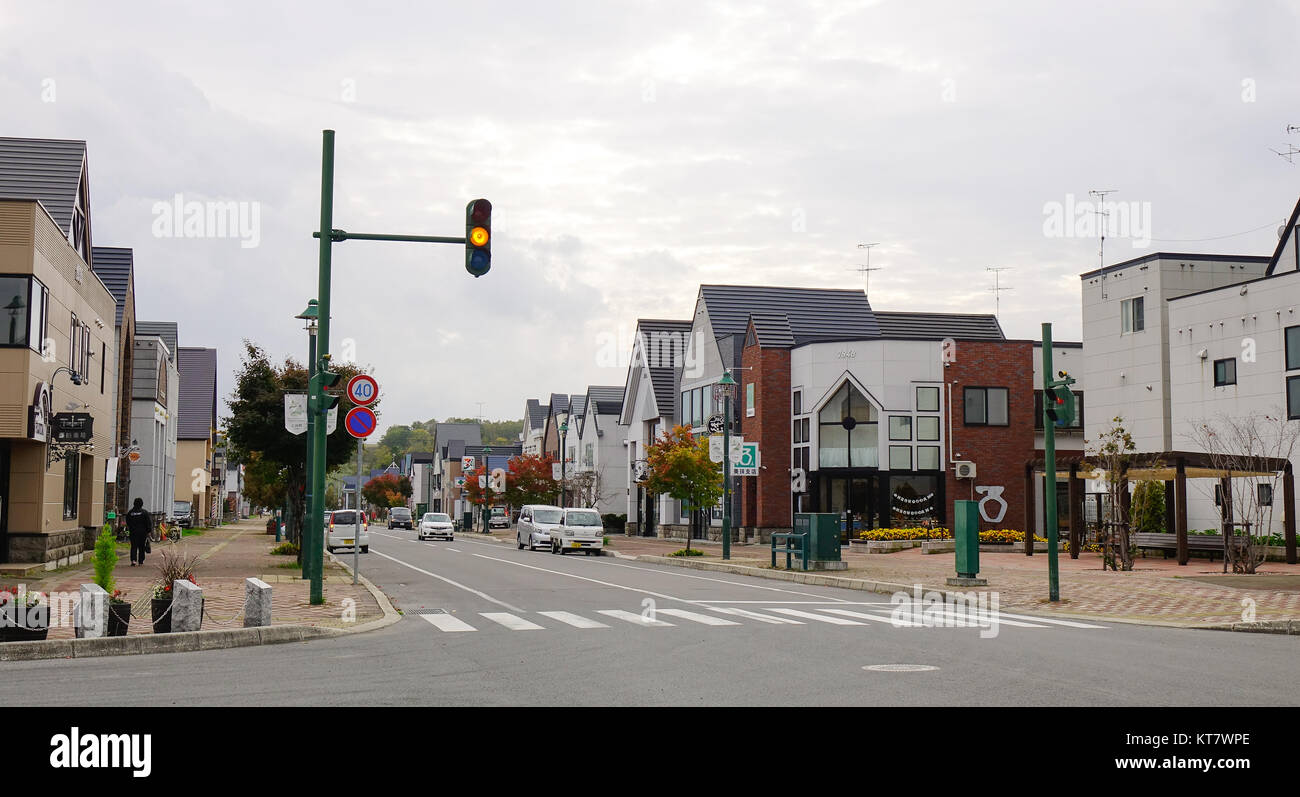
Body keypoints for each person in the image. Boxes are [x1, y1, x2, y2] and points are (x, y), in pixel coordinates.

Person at [125, 497, 152, 566]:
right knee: (141, 547)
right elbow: (148, 522)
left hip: (133, 532)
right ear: (141, 504)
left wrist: (131, 528)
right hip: (143, 532)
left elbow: (128, 522)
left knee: (134, 546)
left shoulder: (130, 513)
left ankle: (133, 560)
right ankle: (141, 561)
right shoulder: (144, 512)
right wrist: (149, 531)